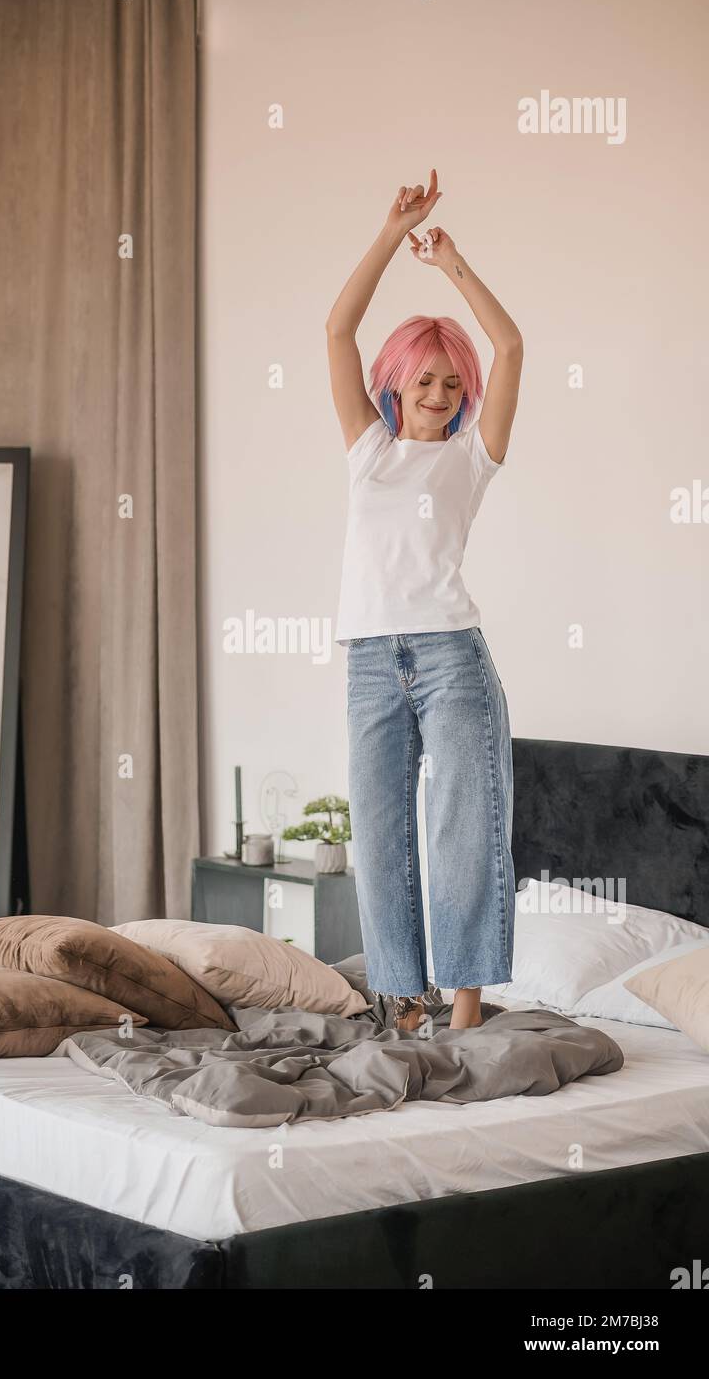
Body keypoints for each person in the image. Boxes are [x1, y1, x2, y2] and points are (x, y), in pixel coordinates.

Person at [325, 170, 522, 1032]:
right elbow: (337, 328)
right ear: (395, 383)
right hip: (371, 661)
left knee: (462, 832)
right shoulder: (367, 452)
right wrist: (392, 227)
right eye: (424, 381)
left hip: (451, 657)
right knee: (379, 841)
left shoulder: (471, 459)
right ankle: (405, 1009)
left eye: (452, 384)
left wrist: (454, 265)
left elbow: (512, 347)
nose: (440, 396)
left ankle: (468, 1010)